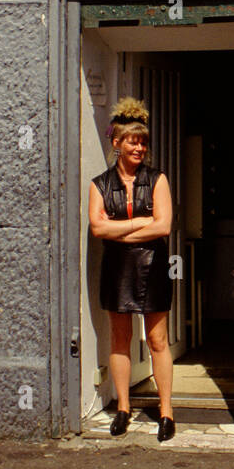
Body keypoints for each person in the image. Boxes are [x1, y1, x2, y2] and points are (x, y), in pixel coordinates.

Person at [88, 98, 176, 443]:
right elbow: (97, 229)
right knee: (120, 338)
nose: (139, 147)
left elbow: (164, 226)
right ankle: (123, 408)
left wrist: (122, 226)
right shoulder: (99, 184)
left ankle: (166, 411)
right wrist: (142, 223)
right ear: (117, 144)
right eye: (132, 141)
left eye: (142, 142)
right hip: (117, 268)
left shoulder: (157, 179)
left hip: (153, 266)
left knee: (157, 339)